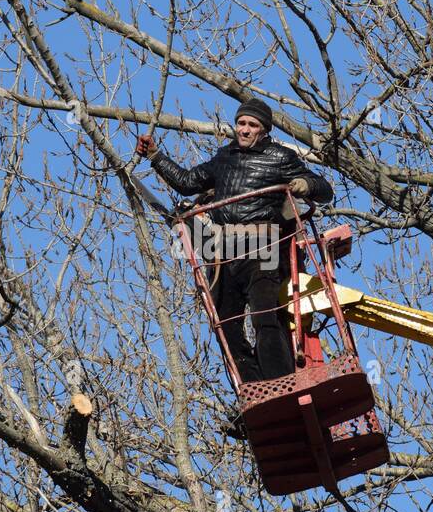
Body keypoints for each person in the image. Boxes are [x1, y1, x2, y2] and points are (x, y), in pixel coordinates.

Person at [136, 97, 333, 384]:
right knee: (226, 326)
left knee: (265, 317)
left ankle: (282, 384)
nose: (244, 129)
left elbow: (325, 190)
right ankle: (254, 387)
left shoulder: (281, 157)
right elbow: (188, 181)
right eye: (241, 123)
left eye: (252, 125)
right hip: (226, 253)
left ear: (264, 130)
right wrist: (156, 156)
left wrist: (307, 184)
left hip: (264, 248)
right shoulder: (224, 158)